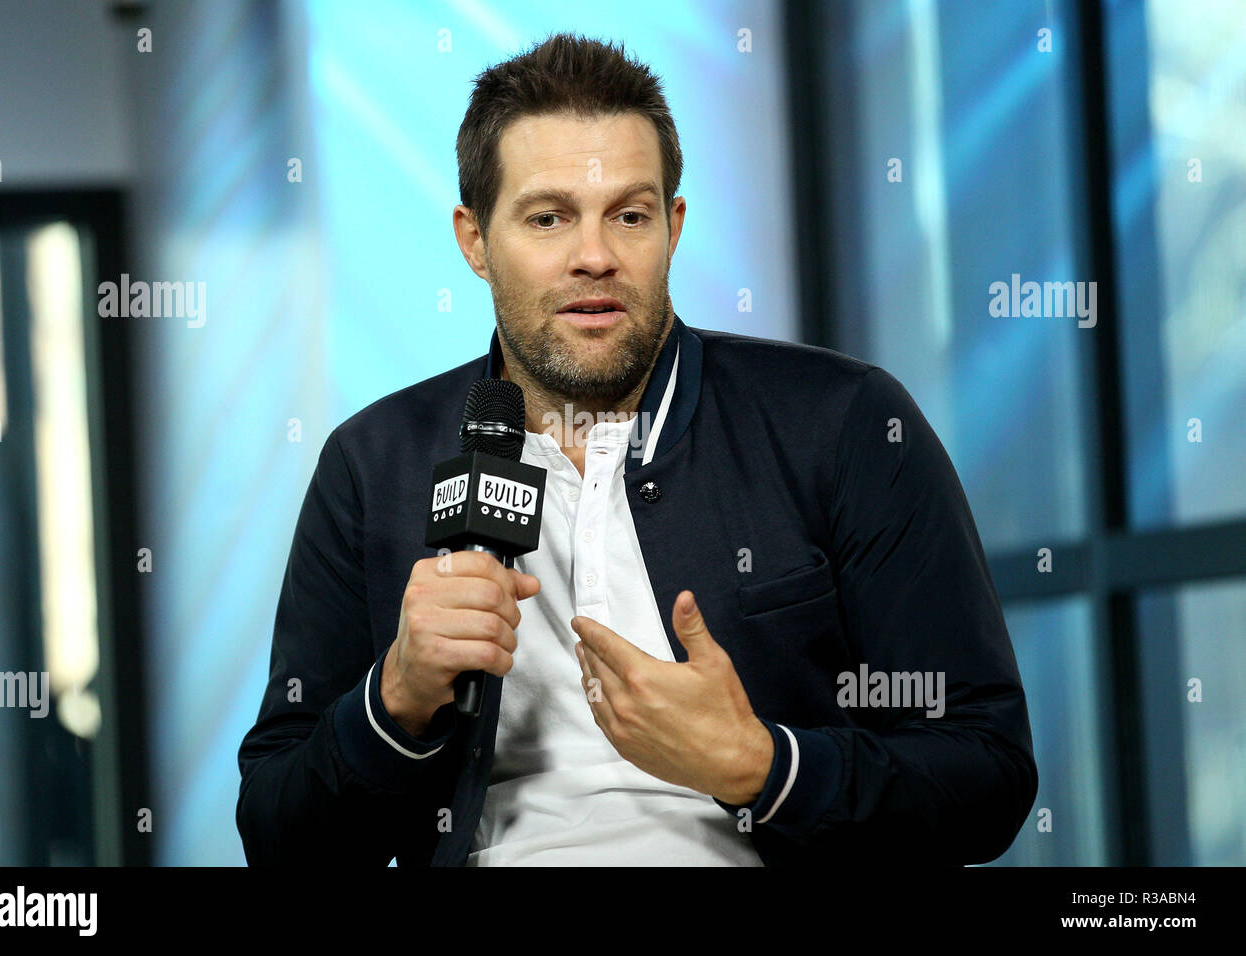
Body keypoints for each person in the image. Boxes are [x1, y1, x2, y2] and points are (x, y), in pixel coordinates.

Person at [236, 32, 1037, 867]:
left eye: (630, 214)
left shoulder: (845, 422)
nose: (595, 256)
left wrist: (760, 765)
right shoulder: (374, 465)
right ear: (473, 241)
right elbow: (278, 835)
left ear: (674, 225)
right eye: (548, 218)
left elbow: (989, 773)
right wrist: (393, 697)